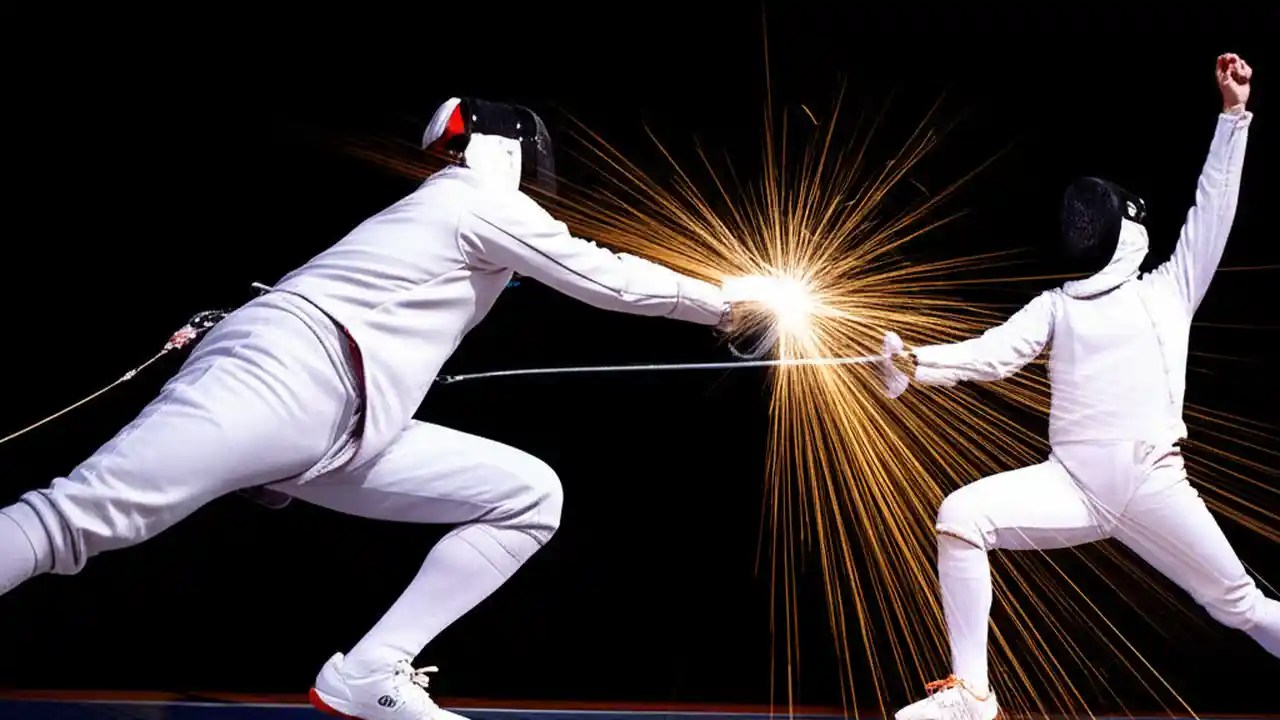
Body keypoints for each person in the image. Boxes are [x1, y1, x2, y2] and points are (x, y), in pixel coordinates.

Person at [0, 97, 769, 720]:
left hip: (342, 428)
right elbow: (607, 279)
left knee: (527, 495)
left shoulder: (432, 217)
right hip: (280, 380)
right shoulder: (476, 198)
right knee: (72, 521)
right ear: (504, 148)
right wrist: (728, 303)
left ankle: (366, 675)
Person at [882, 54, 1277, 720]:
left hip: (1154, 485)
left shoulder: (1169, 291)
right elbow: (991, 356)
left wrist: (1232, 117)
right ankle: (974, 696)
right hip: (1073, 487)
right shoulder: (1057, 306)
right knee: (962, 517)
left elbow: (1212, 210)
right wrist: (917, 364)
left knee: (1237, 604)